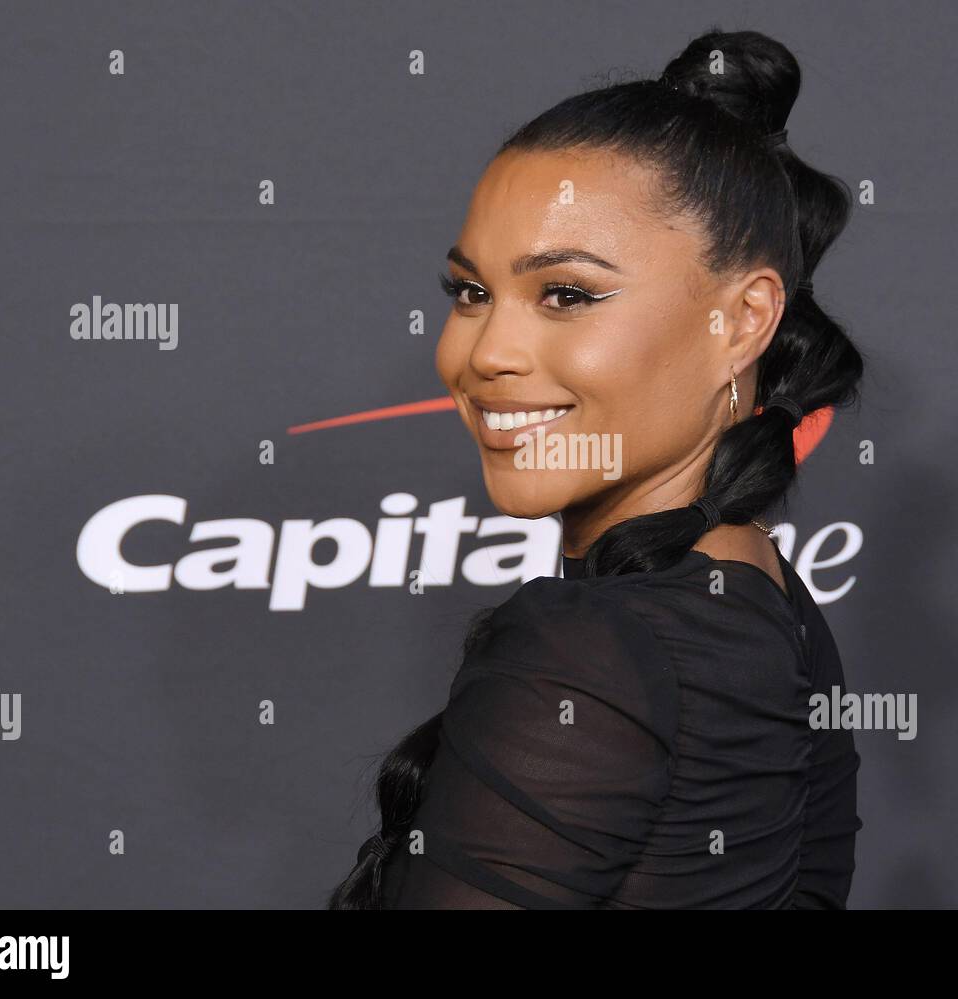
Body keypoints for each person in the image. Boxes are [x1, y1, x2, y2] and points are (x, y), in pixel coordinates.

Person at [328, 25, 865, 909]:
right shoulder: (760, 588)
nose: (487, 352)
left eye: (567, 294)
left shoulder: (594, 646)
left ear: (741, 320)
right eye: (471, 293)